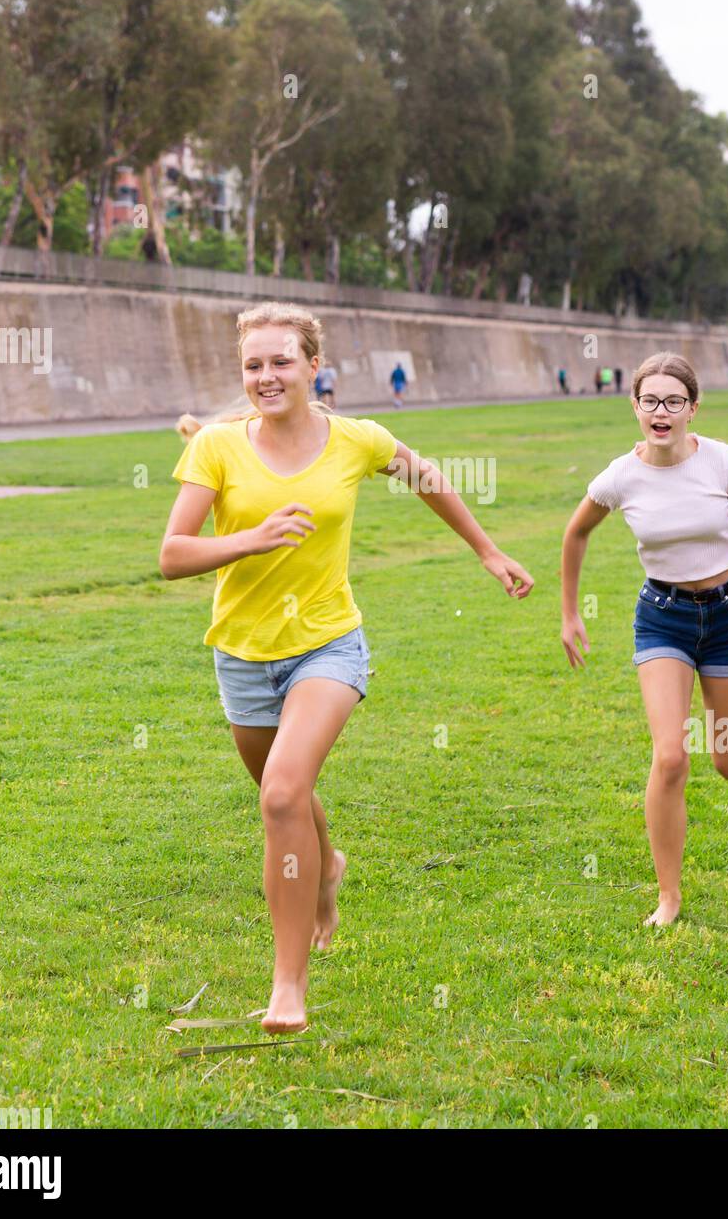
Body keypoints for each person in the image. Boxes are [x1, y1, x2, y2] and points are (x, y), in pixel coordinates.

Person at [160, 302, 534, 1033]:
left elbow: (427, 477)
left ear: (311, 366)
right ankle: (326, 869)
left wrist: (487, 551)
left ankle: (287, 989)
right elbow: (172, 555)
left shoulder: (357, 439)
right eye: (253, 365)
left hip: (328, 644)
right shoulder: (214, 447)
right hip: (240, 654)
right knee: (286, 794)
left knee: (280, 797)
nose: (266, 376)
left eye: (281, 361)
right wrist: (252, 539)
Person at [560, 351, 728, 927]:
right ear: (634, 406)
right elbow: (575, 534)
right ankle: (669, 896)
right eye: (650, 401)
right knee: (670, 757)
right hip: (663, 617)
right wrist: (569, 614)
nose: (661, 412)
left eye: (674, 402)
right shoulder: (619, 476)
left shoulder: (725, 464)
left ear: (692, 409)